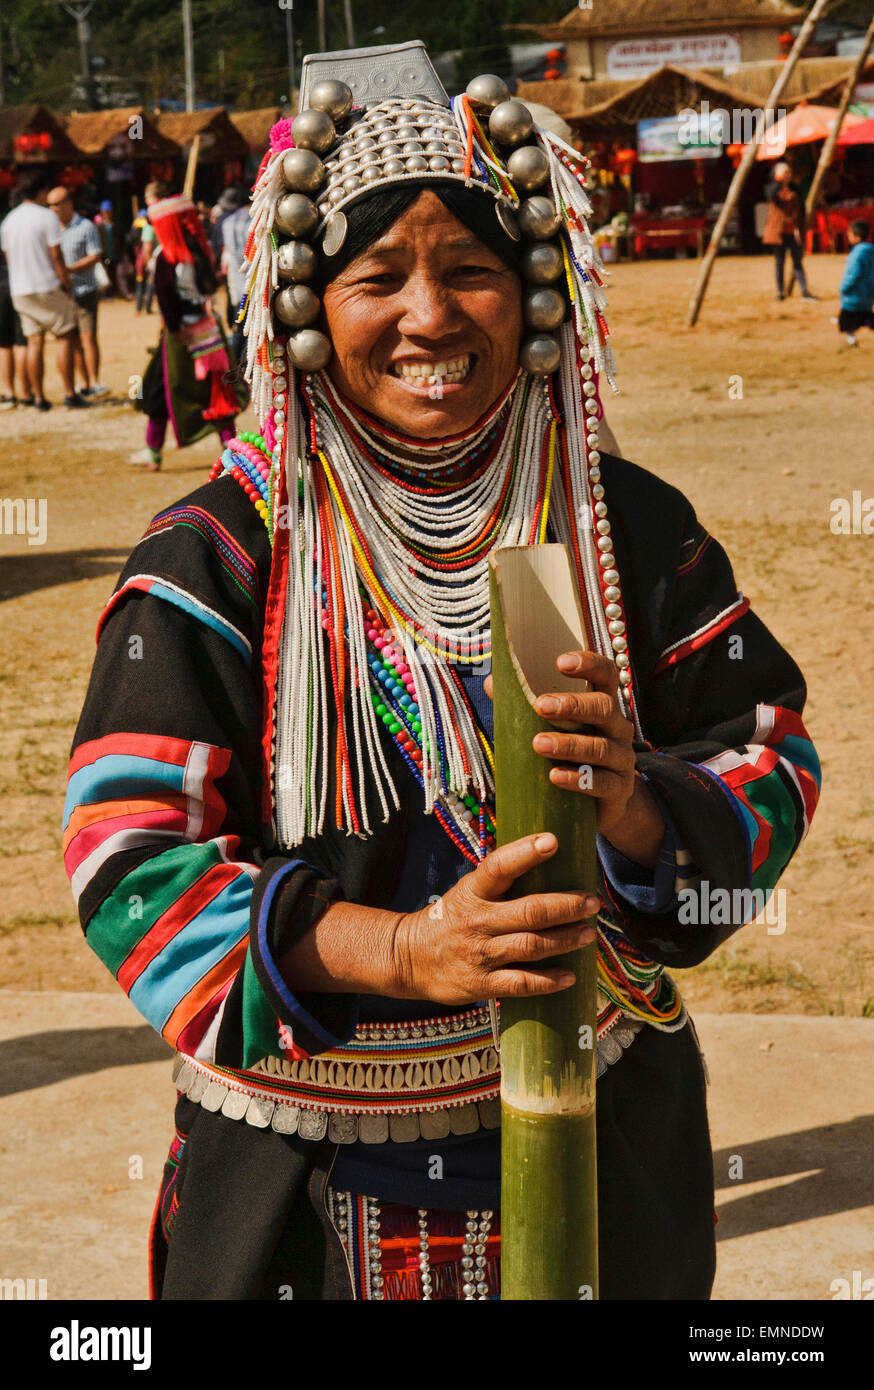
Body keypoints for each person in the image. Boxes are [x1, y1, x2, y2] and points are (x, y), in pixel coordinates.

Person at [65, 46, 820, 1301]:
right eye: (378, 276)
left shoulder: (626, 525)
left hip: (605, 1150)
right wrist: (406, 951)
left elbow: (768, 754)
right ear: (305, 307)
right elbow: (129, 866)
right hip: (302, 1195)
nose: (429, 316)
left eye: (471, 268)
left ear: (535, 296)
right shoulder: (218, 553)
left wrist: (636, 801)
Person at [127, 192, 243, 470]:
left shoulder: (167, 257)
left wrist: (175, 328)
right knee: (215, 389)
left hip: (180, 335)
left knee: (160, 388)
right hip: (207, 328)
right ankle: (232, 447)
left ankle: (153, 450)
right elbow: (208, 287)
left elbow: (166, 297)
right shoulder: (199, 251)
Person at [0, 169, 85, 411]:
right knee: (65, 336)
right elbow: (56, 256)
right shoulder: (46, 217)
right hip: (46, 285)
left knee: (33, 341)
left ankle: (38, 397)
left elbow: (9, 257)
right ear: (41, 192)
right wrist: (66, 286)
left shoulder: (8, 221)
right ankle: (69, 392)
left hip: (21, 290)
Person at [48, 186, 109, 398]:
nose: (52, 209)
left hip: (85, 290)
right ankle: (83, 383)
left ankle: (94, 381)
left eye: (56, 204)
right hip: (63, 293)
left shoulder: (86, 227)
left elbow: (95, 255)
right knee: (71, 341)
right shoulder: (51, 228)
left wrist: (69, 270)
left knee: (88, 337)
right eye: (50, 205)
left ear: (68, 204)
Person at [762, 161, 817, 303]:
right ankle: (780, 292)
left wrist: (801, 229)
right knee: (779, 262)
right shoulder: (772, 187)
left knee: (797, 262)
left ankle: (804, 291)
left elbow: (801, 210)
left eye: (788, 173)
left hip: (793, 231)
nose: (787, 175)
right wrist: (778, 180)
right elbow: (771, 193)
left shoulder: (795, 189)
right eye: (784, 172)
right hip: (777, 232)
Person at [0, 243, 32, 408]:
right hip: (21, 288)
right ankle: (26, 393)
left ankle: (9, 393)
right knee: (22, 342)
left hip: (2, 291)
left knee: (4, 346)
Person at [837, 218, 874, 347]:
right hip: (869, 295)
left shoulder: (857, 254)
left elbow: (852, 273)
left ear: (857, 237)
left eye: (849, 235)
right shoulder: (871, 251)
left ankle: (851, 339)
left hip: (853, 296)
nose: (848, 237)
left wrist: (843, 287)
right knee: (867, 317)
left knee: (847, 320)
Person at [220, 199, 249, 329]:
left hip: (237, 277)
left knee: (240, 322)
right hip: (252, 279)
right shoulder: (253, 221)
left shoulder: (227, 223)